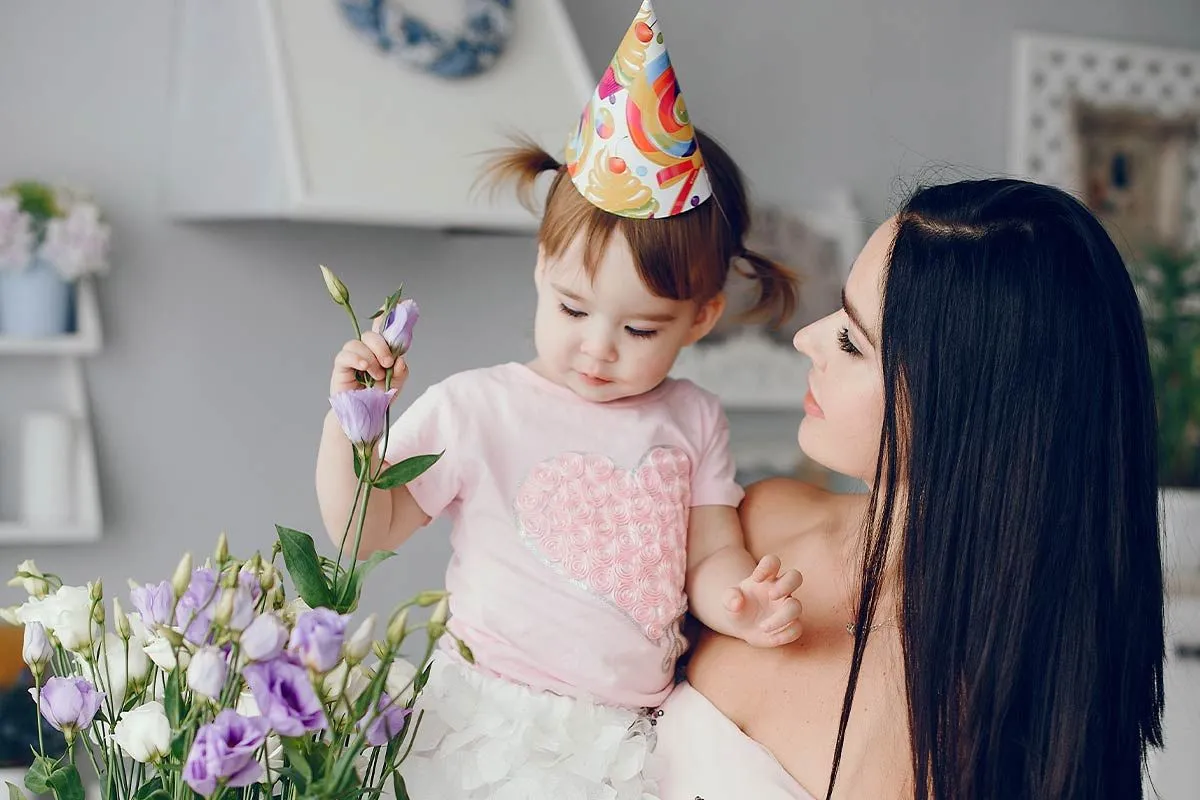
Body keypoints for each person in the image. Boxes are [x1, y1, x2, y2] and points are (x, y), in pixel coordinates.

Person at [314, 2, 802, 797]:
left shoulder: (691, 418)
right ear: (541, 267)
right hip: (486, 720)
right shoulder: (477, 408)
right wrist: (353, 430)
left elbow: (711, 551)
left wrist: (737, 601)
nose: (598, 347)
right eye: (574, 309)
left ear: (701, 318)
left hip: (622, 739)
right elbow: (363, 530)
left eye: (641, 328)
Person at [652, 178, 1166, 800]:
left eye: (851, 341)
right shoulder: (754, 530)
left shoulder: (987, 725)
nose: (806, 338)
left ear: (968, 412)